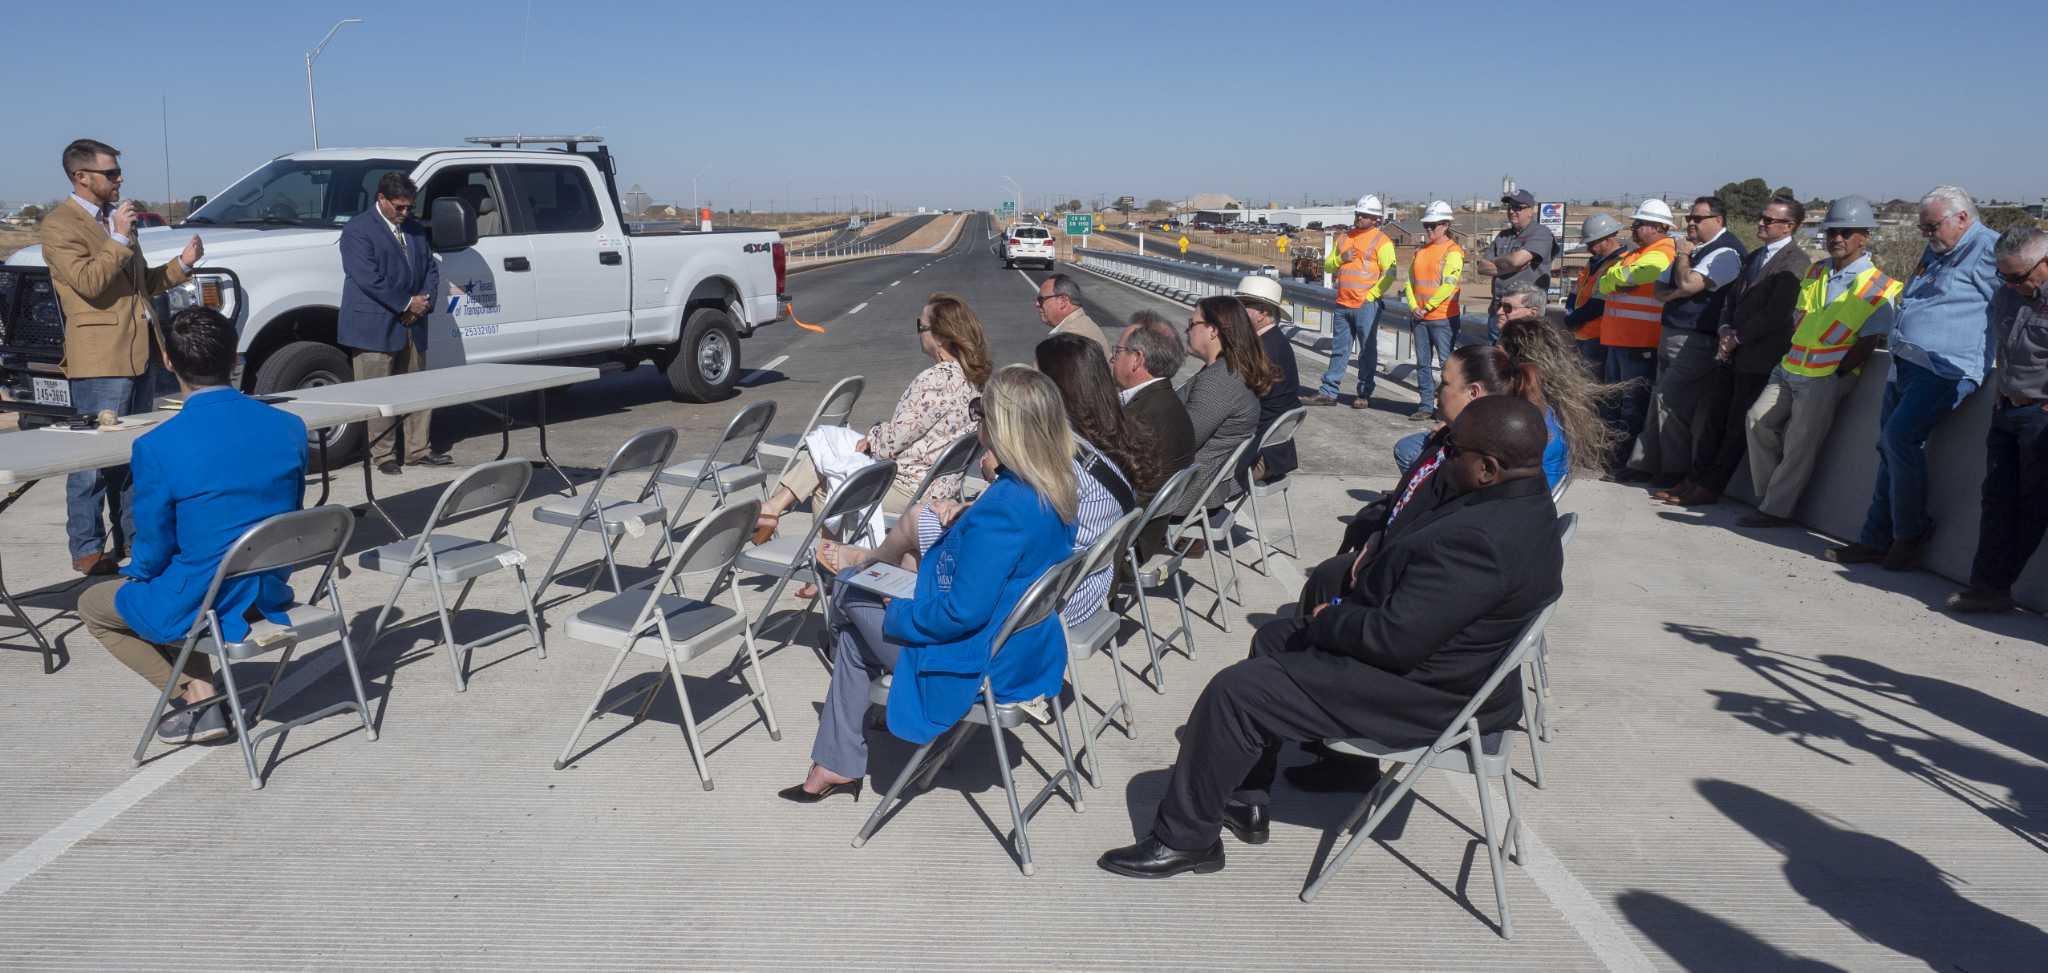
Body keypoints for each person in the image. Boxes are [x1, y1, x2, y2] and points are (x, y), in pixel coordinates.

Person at [1096, 396, 1563, 878]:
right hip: (1446, 667)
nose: (1443, 454)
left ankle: (1185, 839)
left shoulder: (1481, 539)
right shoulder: (1525, 500)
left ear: (1487, 468)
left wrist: (1327, 618)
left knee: (1235, 692)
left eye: (1454, 449)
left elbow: (1394, 639)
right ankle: (1243, 797)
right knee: (1274, 640)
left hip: (1432, 693)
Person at [779, 366, 1079, 802]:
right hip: (1024, 647)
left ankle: (840, 761)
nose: (976, 421)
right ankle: (834, 763)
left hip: (977, 661)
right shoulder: (1054, 487)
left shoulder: (1006, 509)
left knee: (847, 590)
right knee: (858, 630)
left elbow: (961, 613)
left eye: (982, 412)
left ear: (1004, 427)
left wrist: (896, 604)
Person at [77, 308, 307, 744]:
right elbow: (291, 512)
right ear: (234, 358)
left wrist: (137, 574)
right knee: (187, 577)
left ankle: (195, 697)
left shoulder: (157, 445)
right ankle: (203, 694)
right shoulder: (289, 426)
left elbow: (153, 544)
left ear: (167, 361)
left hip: (207, 596)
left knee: (96, 605)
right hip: (267, 588)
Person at [43, 138, 205, 575]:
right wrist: (116, 235)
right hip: (99, 360)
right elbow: (90, 283)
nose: (120, 180)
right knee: (91, 466)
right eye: (110, 173)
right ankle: (87, 550)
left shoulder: (116, 224)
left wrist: (183, 264)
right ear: (82, 177)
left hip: (139, 354)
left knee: (134, 460)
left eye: (118, 172)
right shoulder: (60, 225)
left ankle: (136, 543)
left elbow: (139, 284)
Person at [1828, 186, 2000, 571]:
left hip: (1947, 368)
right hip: (1904, 363)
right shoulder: (1938, 247)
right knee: (1887, 449)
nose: (1926, 234)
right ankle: (1875, 539)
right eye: (1923, 228)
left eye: (1931, 226)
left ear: (1962, 218)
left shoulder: (1989, 250)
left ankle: (1911, 532)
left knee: (1899, 438)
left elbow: (2009, 308)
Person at [757, 292, 990, 538]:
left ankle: (826, 567)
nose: (918, 332)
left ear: (941, 337)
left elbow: (890, 444)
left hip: (909, 487)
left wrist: (873, 434)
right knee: (830, 441)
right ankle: (772, 509)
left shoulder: (936, 379)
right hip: (941, 486)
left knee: (828, 486)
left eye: (921, 326)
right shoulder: (975, 382)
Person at [1743, 196, 1901, 528]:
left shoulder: (1878, 286)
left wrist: (1836, 375)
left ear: (1865, 237)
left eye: (1846, 232)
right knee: (1757, 421)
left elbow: (1868, 342)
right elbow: (1803, 319)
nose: (1837, 239)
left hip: (1824, 376)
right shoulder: (1816, 271)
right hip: (1789, 367)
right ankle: (1773, 494)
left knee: (1800, 445)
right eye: (1832, 232)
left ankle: (1774, 510)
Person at [1663, 198, 1811, 507]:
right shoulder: (1755, 256)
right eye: (1762, 217)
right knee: (1714, 420)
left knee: (1735, 427)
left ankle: (1711, 486)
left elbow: (1776, 312)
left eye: (1770, 220)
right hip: (1732, 353)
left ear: (1790, 226)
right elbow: (1731, 300)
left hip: (1758, 357)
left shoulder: (1795, 261)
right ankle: (1695, 479)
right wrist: (1726, 329)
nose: (1762, 223)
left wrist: (1739, 337)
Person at [1947, 226, 2048, 614]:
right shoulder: (2007, 294)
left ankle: (1997, 586)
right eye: (2003, 276)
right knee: (1996, 501)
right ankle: (1985, 586)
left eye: (2018, 276)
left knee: (2032, 505)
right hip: (2005, 411)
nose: (2010, 283)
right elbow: (2003, 349)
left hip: (2039, 417)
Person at [1626, 196, 1748, 488]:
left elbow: (1688, 284)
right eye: (1690, 217)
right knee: (1659, 397)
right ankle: (1644, 464)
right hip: (1672, 332)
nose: (1690, 222)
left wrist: (1682, 261)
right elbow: (1661, 288)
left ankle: (1674, 471)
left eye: (1698, 218)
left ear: (1718, 221)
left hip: (1696, 339)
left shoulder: (1726, 252)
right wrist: (1679, 290)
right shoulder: (1696, 249)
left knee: (1672, 401)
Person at [340, 172, 447, 476]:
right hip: (373, 326)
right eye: (398, 207)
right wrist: (405, 303)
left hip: (413, 323)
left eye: (409, 207)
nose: (404, 213)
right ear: (382, 199)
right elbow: (368, 278)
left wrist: (422, 303)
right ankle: (383, 454)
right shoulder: (357, 231)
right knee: (378, 393)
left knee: (417, 388)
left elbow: (430, 269)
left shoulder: (414, 229)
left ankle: (418, 450)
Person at [1497, 283, 1620, 484]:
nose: (1499, 312)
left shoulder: (1531, 378)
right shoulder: (1542, 361)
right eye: (1499, 305)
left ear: (1532, 312)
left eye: (1508, 308)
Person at [1597, 199, 1679, 474]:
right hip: (1620, 340)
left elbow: (1639, 275)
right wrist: (1617, 277)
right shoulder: (1638, 253)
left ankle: (1626, 463)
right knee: (1614, 403)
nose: (1633, 228)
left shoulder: (1663, 251)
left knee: (1632, 406)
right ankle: (1611, 458)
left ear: (1658, 226)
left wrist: (1617, 277)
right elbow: (1605, 281)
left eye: (1639, 223)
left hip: (1639, 342)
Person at [1175, 297, 1271, 524]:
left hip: (1186, 494)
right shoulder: (1228, 370)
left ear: (1213, 331)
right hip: (1201, 486)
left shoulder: (1219, 380)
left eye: (1192, 324)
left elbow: (1182, 441)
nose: (1187, 330)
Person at [1305, 195, 1397, 409]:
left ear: (1375, 219)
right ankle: (1328, 392)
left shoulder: (1381, 241)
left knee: (1366, 351)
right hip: (1343, 303)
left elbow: (1390, 273)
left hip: (1366, 305)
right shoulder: (1345, 238)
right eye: (1358, 214)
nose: (1359, 218)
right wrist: (1340, 259)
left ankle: (1364, 393)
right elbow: (1328, 267)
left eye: (1364, 215)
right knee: (1339, 349)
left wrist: (1372, 295)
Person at [1234, 274, 1303, 479]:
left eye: (1243, 305)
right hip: (1274, 452)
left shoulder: (1263, 350)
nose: (1236, 311)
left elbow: (1234, 404)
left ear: (1263, 313)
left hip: (1258, 456)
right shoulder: (1273, 341)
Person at [1404, 201, 1466, 422]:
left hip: (1442, 318)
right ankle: (1425, 405)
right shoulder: (1421, 251)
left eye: (1433, 225)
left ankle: (1448, 408)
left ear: (1445, 225)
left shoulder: (1453, 252)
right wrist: (1414, 307)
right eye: (1426, 226)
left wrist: (1427, 307)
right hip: (1420, 317)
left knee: (1446, 367)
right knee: (1422, 363)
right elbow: (1409, 282)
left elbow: (1448, 285)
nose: (1429, 230)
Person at [1477, 188, 1557, 345]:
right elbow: (1482, 267)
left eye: (1518, 208)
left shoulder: (1541, 233)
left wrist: (1500, 263)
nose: (1512, 211)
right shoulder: (1503, 236)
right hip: (1498, 310)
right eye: (1510, 207)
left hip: (1524, 313)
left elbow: (1518, 259)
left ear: (1530, 211)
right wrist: (1510, 265)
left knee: (1523, 358)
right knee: (1497, 361)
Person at [1565, 212, 1627, 369]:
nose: (1589, 248)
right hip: (1583, 332)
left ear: (1608, 239)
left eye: (1592, 243)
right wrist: (1570, 311)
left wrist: (1573, 319)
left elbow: (1599, 304)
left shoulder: (1620, 263)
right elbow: (1576, 291)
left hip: (1598, 335)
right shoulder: (1594, 263)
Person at [1035, 273, 1108, 353]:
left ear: (1062, 301)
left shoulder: (1069, 340)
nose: (1037, 304)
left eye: (1041, 300)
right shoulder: (1085, 324)